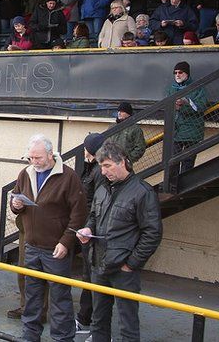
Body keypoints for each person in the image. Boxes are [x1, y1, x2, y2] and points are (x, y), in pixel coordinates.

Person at [76, 142, 163, 342]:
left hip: (123, 269)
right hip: (99, 264)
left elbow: (152, 233)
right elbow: (94, 217)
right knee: (99, 320)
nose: (104, 171)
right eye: (101, 166)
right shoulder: (102, 190)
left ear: (123, 162)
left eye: (107, 166)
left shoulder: (143, 192)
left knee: (128, 325)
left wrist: (131, 264)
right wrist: (88, 229)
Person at [10, 134, 87, 342]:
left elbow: (79, 214)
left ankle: (62, 338)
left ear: (51, 155)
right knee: (32, 296)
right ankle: (30, 336)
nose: (34, 162)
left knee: (60, 297)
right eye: (30, 158)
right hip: (32, 245)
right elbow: (16, 197)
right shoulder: (25, 174)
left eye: (38, 158)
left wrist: (66, 242)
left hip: (56, 248)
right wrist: (15, 205)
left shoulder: (69, 177)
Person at [74, 132, 106, 335]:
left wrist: (90, 226)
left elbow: (96, 202)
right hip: (87, 225)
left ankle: (92, 323)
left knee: (92, 275)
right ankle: (85, 318)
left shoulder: (99, 173)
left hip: (92, 229)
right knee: (88, 275)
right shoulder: (92, 169)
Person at [165, 61, 206, 192]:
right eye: (175, 72)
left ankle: (184, 187)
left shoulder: (198, 87)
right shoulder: (171, 88)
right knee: (172, 160)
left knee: (188, 161)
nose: (177, 75)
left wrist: (186, 103)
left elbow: (201, 106)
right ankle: (172, 187)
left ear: (187, 74)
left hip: (192, 130)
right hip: (175, 130)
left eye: (180, 72)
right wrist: (173, 107)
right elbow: (166, 106)